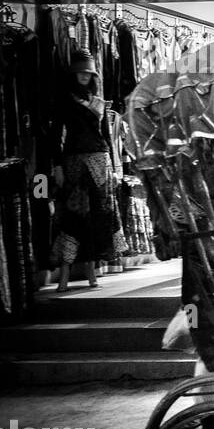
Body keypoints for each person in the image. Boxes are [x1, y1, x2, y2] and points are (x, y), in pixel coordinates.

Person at [51, 50, 126, 291]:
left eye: (88, 72)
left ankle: (93, 274)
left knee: (98, 216)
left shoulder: (100, 102)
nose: (84, 75)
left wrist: (115, 168)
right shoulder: (64, 101)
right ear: (74, 74)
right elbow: (55, 137)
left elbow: (106, 137)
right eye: (80, 71)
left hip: (100, 161)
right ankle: (64, 277)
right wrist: (57, 166)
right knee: (72, 217)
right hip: (74, 161)